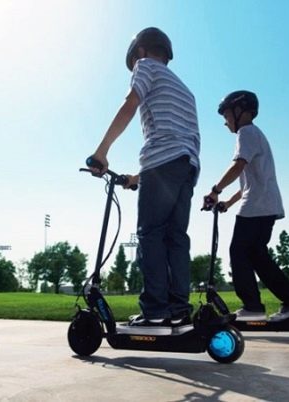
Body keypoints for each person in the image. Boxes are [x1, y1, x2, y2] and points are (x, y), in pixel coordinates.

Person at [89, 27, 200, 330]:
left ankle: (154, 311)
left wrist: (102, 152)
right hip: (187, 166)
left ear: (139, 51)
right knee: (176, 238)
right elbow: (177, 143)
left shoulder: (145, 66)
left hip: (162, 162)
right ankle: (178, 309)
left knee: (150, 234)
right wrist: (138, 177)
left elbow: (130, 103)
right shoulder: (185, 90)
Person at [203, 90, 289, 321]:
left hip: (257, 206)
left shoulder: (247, 132)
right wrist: (228, 203)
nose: (225, 121)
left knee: (238, 252)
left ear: (241, 112)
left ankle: (252, 306)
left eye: (227, 115)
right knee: (258, 256)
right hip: (263, 205)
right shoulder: (255, 135)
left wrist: (215, 190)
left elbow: (238, 166)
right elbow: (249, 182)